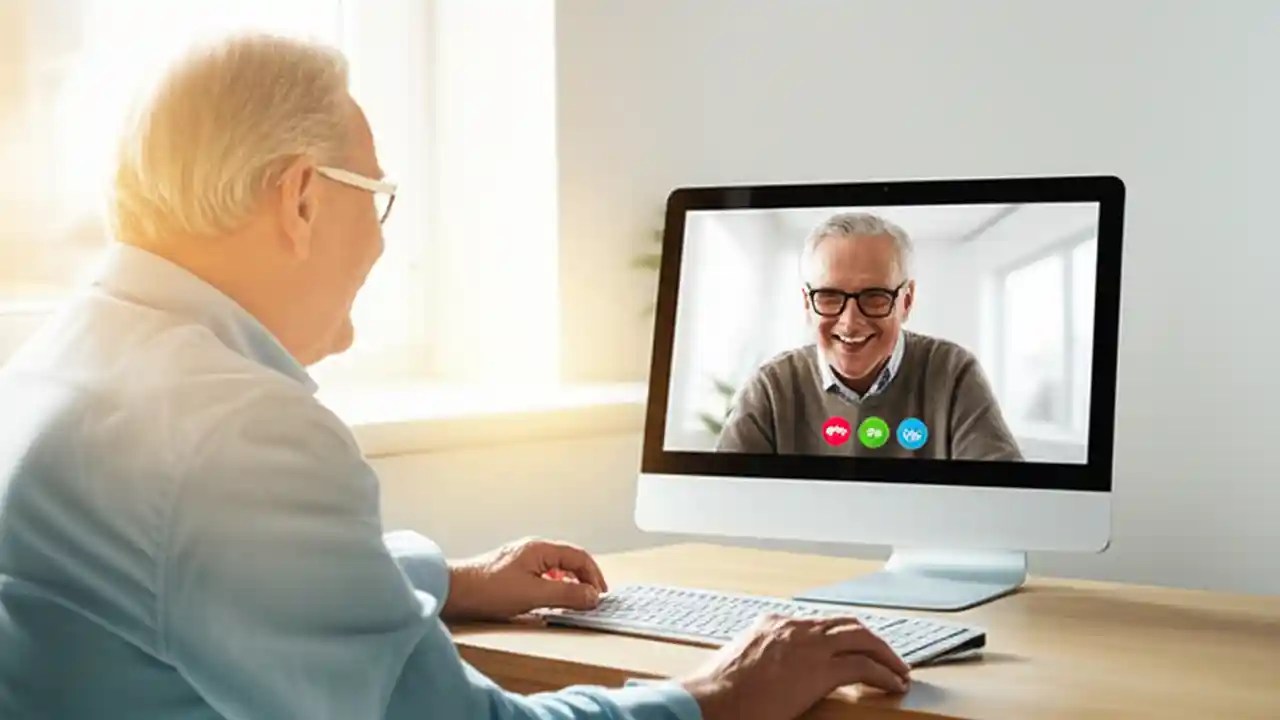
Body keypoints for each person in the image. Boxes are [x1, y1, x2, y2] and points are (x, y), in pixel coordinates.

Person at [0, 34, 910, 720]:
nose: (386, 238)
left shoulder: (65, 360)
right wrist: (718, 692)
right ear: (302, 198)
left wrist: (449, 577)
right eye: (377, 195)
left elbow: (203, 576)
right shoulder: (234, 430)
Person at [716, 212, 1022, 460]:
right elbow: (725, 505)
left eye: (875, 296)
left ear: (907, 301)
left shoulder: (953, 373)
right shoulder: (771, 387)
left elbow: (1004, 503)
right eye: (829, 296)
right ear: (807, 304)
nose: (850, 323)